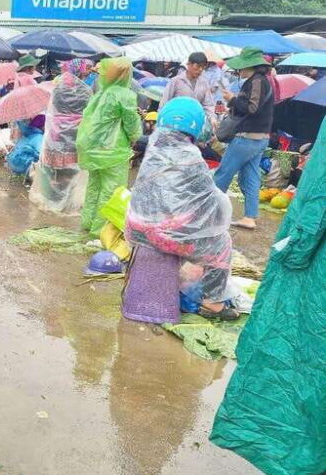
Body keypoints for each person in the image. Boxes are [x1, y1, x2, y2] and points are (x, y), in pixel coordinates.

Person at [210, 116, 326, 475]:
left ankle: (289, 469)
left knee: (295, 363)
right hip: (313, 264)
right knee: (312, 372)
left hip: (307, 261)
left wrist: (293, 249)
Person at [126, 97, 236, 319]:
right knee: (222, 244)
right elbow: (210, 202)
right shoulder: (191, 158)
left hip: (136, 229)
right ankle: (212, 303)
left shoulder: (153, 153)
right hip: (168, 236)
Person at [76, 57, 143, 234]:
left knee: (94, 186)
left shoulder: (100, 93)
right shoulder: (125, 95)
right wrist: (136, 136)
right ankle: (101, 230)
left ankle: (88, 221)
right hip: (113, 150)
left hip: (93, 148)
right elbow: (132, 124)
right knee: (111, 190)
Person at [213, 47, 275, 230]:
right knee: (251, 178)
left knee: (223, 174)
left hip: (247, 138)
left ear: (252, 66)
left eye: (242, 67)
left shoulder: (257, 81)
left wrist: (232, 99)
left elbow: (252, 108)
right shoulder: (262, 81)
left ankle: (208, 212)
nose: (240, 71)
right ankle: (249, 217)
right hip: (260, 138)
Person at [29, 71, 91, 214]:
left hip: (55, 140)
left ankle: (52, 201)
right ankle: (66, 203)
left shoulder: (58, 92)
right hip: (74, 140)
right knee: (70, 173)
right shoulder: (85, 93)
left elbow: (52, 113)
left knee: (53, 173)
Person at [159, 52, 215, 121]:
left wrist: (212, 118)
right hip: (176, 120)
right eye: (198, 66)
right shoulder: (176, 81)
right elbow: (164, 103)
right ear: (189, 64)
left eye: (203, 67)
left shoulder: (204, 83)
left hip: (195, 121)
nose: (200, 70)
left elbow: (208, 104)